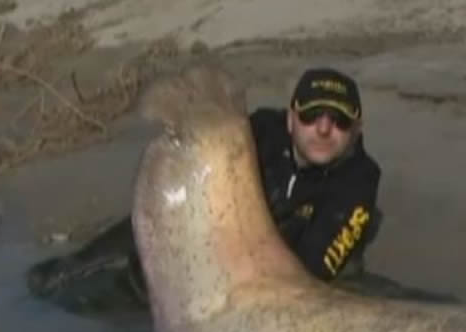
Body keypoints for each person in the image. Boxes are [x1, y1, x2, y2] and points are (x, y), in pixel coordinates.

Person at [26, 66, 388, 313]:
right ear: (291, 118)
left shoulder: (358, 180)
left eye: (339, 121)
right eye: (312, 116)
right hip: (217, 230)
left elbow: (312, 271)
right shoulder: (262, 128)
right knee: (74, 274)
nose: (324, 130)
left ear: (355, 129)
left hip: (267, 267)